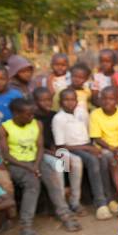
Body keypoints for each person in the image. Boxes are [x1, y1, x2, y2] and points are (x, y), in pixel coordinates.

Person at [0, 96, 73, 235]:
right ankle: (25, 227)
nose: (32, 116)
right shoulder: (4, 128)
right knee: (32, 184)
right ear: (16, 114)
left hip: (36, 161)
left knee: (52, 179)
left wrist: (35, 165)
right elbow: (6, 155)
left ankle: (65, 215)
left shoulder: (37, 123)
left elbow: (40, 147)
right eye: (28, 114)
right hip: (16, 164)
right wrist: (28, 167)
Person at [54, 86, 116, 219]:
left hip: (86, 146)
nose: (70, 102)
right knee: (93, 160)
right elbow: (60, 146)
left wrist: (92, 148)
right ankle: (100, 204)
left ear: (77, 101)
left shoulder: (81, 112)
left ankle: (109, 199)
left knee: (104, 157)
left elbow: (88, 134)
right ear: (60, 102)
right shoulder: (58, 118)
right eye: (66, 100)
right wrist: (88, 149)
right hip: (70, 150)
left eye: (73, 100)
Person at [34, 86, 84, 222]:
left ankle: (74, 202)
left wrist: (59, 152)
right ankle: (61, 206)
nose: (47, 103)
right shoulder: (32, 117)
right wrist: (56, 153)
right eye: (42, 100)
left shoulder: (53, 115)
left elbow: (55, 140)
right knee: (59, 164)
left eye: (49, 100)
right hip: (41, 153)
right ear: (35, 101)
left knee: (76, 161)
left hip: (54, 150)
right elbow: (36, 145)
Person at [89, 87, 118, 200]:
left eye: (111, 99)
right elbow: (96, 138)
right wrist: (113, 149)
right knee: (113, 161)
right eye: (104, 98)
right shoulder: (95, 114)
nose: (107, 101)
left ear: (117, 100)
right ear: (100, 100)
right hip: (104, 147)